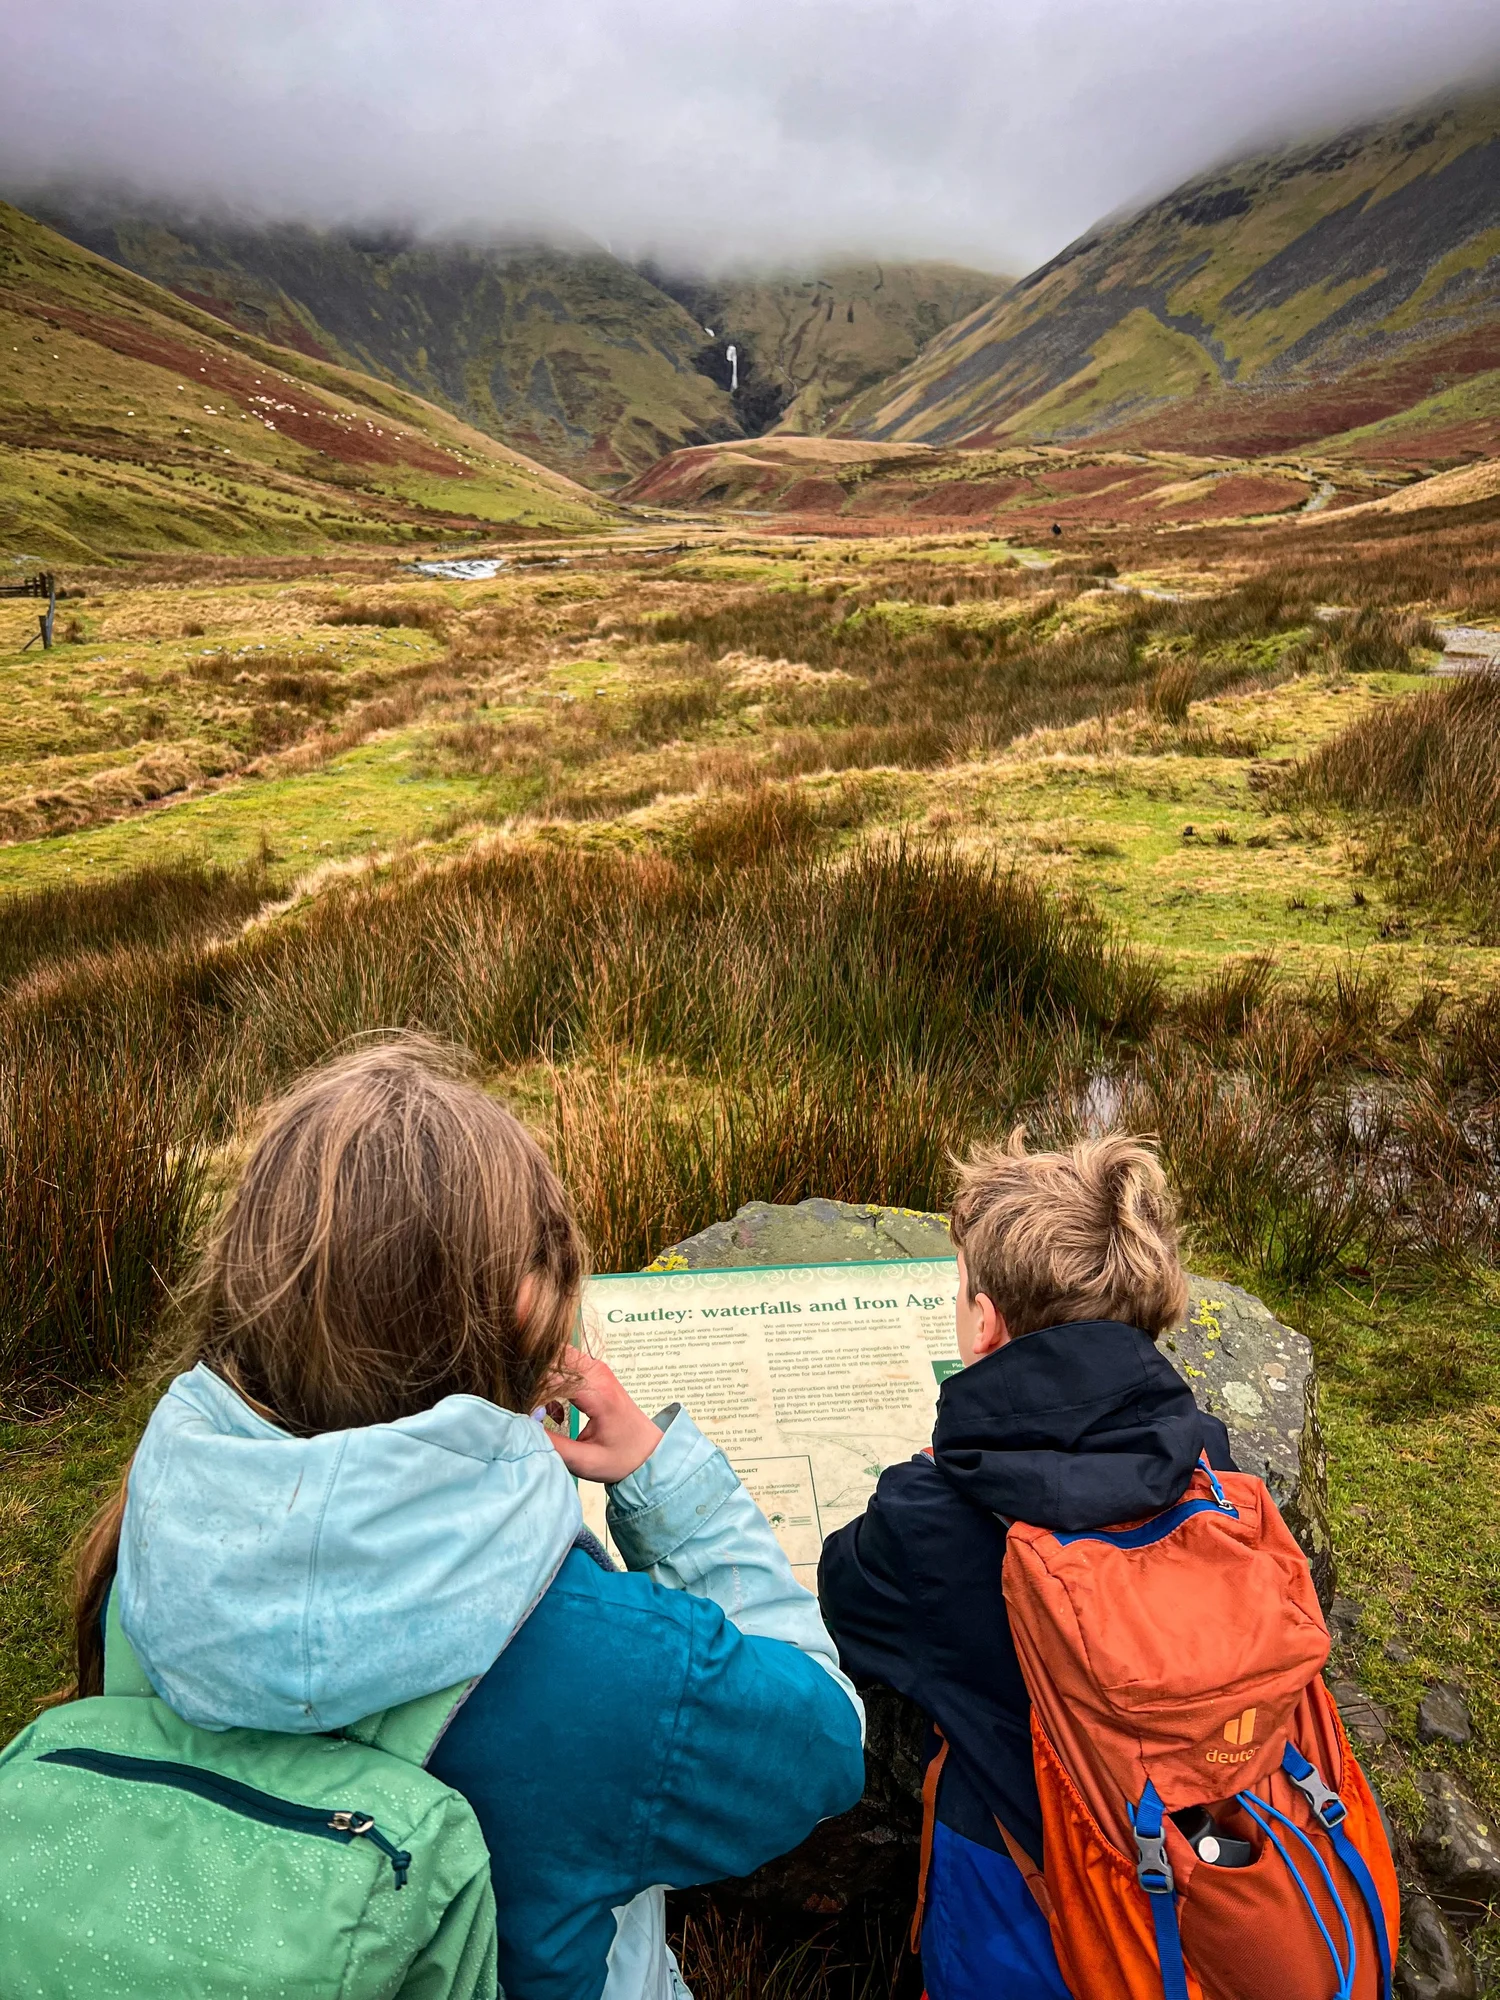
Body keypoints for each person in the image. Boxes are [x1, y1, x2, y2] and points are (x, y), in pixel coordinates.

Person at [69, 1040, 866, 2000]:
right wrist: (671, 1487)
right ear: (521, 1315)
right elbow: (826, 1739)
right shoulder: (622, 1667)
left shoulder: (154, 1555)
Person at [819, 1130, 1234, 2000]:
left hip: (1035, 1930)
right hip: (1226, 1881)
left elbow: (841, 1596)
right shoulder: (1210, 1460)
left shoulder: (927, 1520)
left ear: (984, 1322)